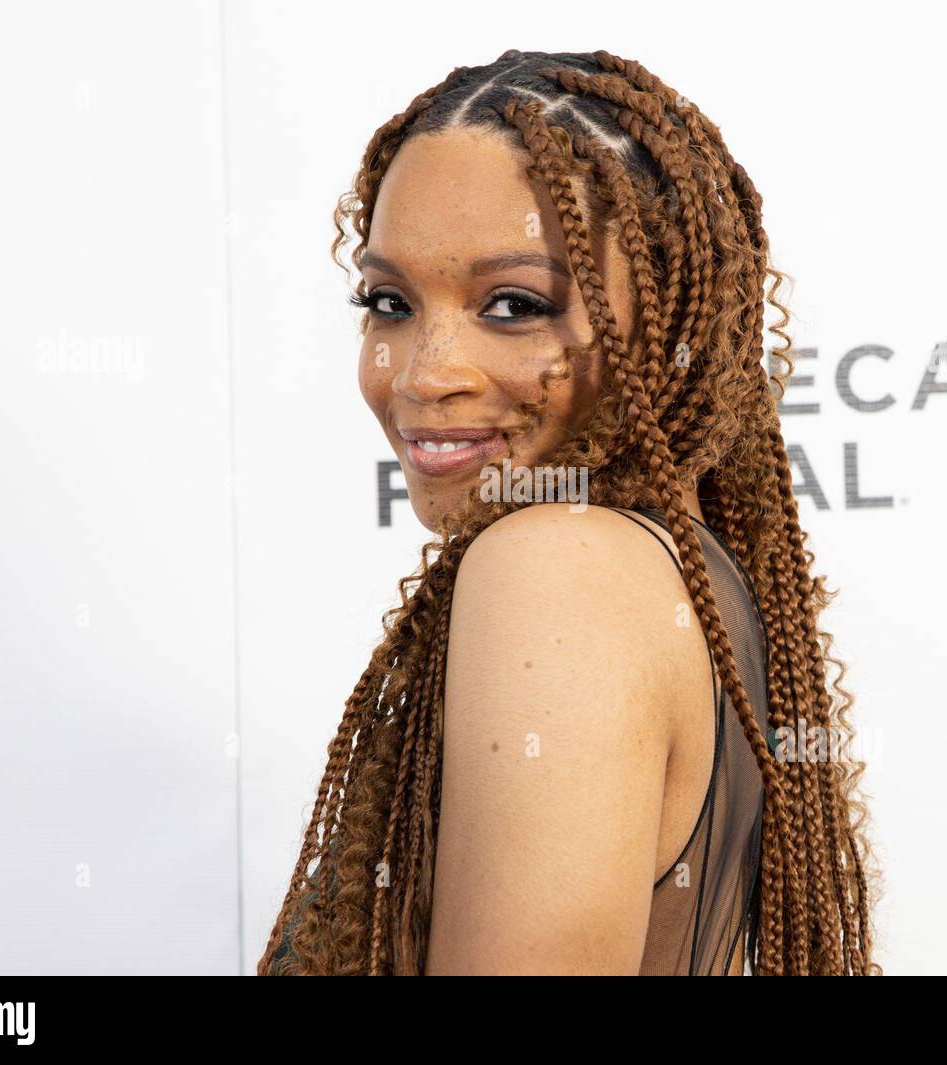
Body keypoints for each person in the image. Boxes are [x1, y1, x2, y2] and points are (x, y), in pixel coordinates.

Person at [258, 49, 881, 976]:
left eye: (513, 304)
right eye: (389, 301)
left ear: (666, 325)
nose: (426, 372)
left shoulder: (557, 567)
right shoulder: (673, 573)